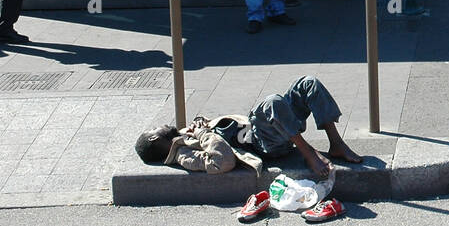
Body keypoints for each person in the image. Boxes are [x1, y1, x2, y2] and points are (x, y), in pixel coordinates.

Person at [135, 76, 362, 179]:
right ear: (156, 140)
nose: (162, 125)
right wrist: (204, 133)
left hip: (265, 128)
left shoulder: (181, 135)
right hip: (262, 144)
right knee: (272, 102)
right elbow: (222, 162)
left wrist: (201, 124)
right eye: (157, 129)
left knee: (307, 84)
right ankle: (309, 154)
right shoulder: (183, 154)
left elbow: (217, 129)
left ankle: (336, 144)